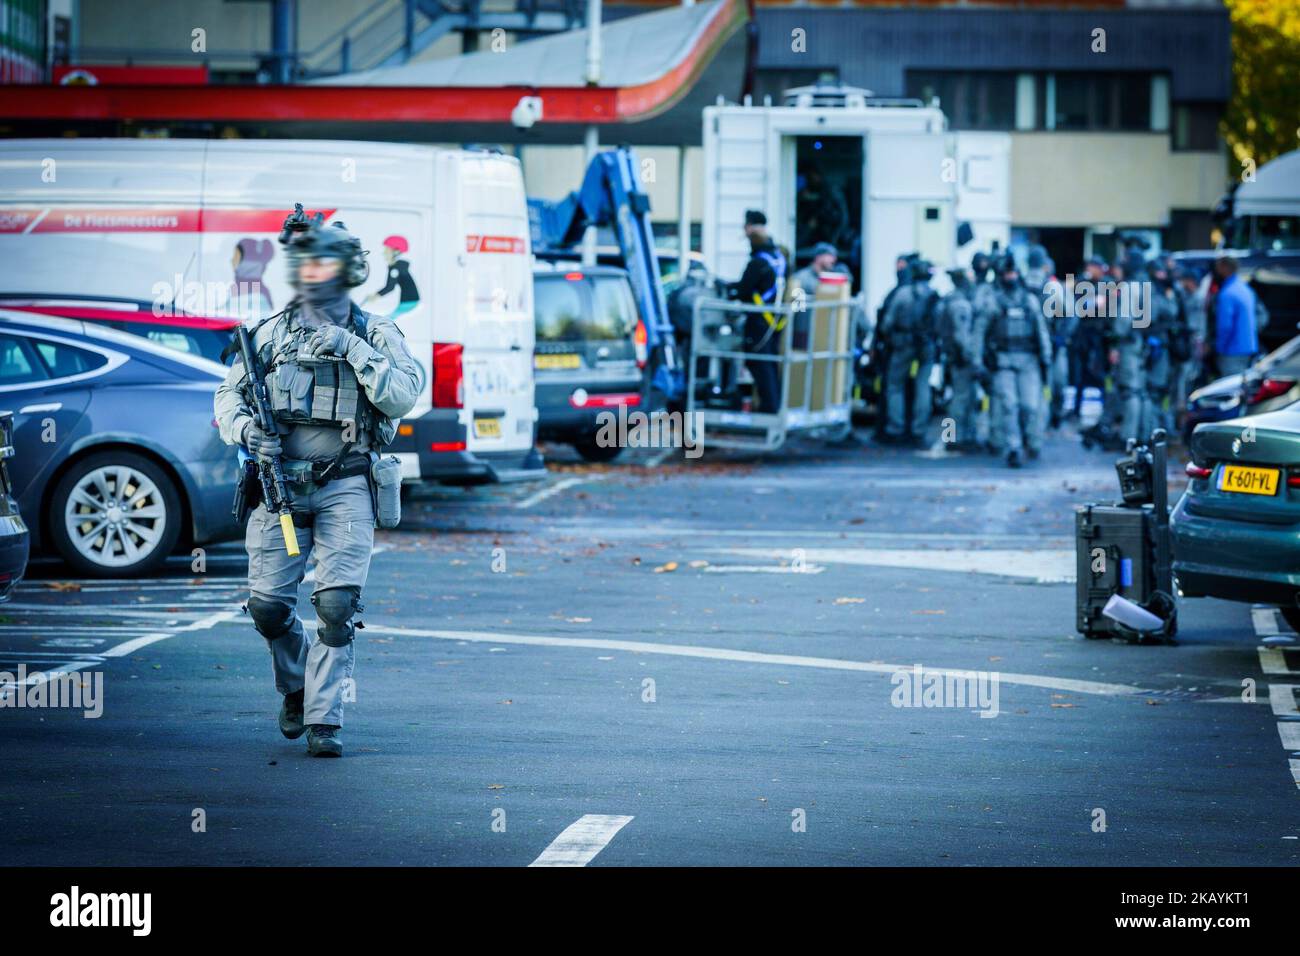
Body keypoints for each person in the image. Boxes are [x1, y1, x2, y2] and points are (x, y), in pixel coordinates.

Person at [214, 210, 421, 758]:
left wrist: (350, 348)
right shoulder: (270, 333)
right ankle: (296, 687)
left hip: (346, 486)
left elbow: (402, 394)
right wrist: (246, 431)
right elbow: (227, 396)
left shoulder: (374, 332)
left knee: (334, 604)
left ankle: (324, 718)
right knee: (267, 607)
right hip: (280, 490)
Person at [980, 254, 1051, 467]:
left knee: (1029, 406)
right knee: (1009, 406)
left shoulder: (1029, 300)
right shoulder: (994, 301)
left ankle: (1030, 440)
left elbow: (1041, 331)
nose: (1010, 277)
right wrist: (978, 360)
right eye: (1007, 273)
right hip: (1003, 362)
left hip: (1029, 361)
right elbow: (980, 332)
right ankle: (1014, 447)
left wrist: (1046, 358)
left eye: (1013, 273)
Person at [728, 210, 787, 413]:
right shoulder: (779, 257)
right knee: (769, 363)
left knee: (758, 362)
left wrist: (730, 291)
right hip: (775, 320)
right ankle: (773, 404)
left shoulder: (758, 262)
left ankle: (770, 407)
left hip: (759, 321)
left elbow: (745, 290)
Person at [879, 258, 939, 445]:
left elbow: (887, 323)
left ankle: (896, 428)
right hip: (927, 346)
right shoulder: (934, 296)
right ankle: (919, 430)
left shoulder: (903, 294)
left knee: (895, 386)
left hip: (903, 345)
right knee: (923, 386)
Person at [939, 265, 981, 451]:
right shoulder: (960, 303)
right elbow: (961, 336)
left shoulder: (952, 299)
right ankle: (951, 438)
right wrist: (971, 358)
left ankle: (964, 436)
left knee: (966, 398)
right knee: (960, 399)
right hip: (961, 358)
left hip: (956, 356)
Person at [1212, 256, 1259, 376]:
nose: (1216, 271)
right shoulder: (1245, 289)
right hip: (1248, 347)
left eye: (1218, 267)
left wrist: (1219, 349)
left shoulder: (1227, 293)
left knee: (1231, 388)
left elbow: (1225, 326)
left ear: (1225, 268)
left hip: (1232, 350)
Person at [1172, 267, 1207, 415]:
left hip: (1195, 341)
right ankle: (1183, 408)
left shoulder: (1198, 297)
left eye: (1186, 281)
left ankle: (1187, 409)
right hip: (1188, 342)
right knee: (1184, 376)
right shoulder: (1185, 295)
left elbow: (1198, 325)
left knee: (1190, 377)